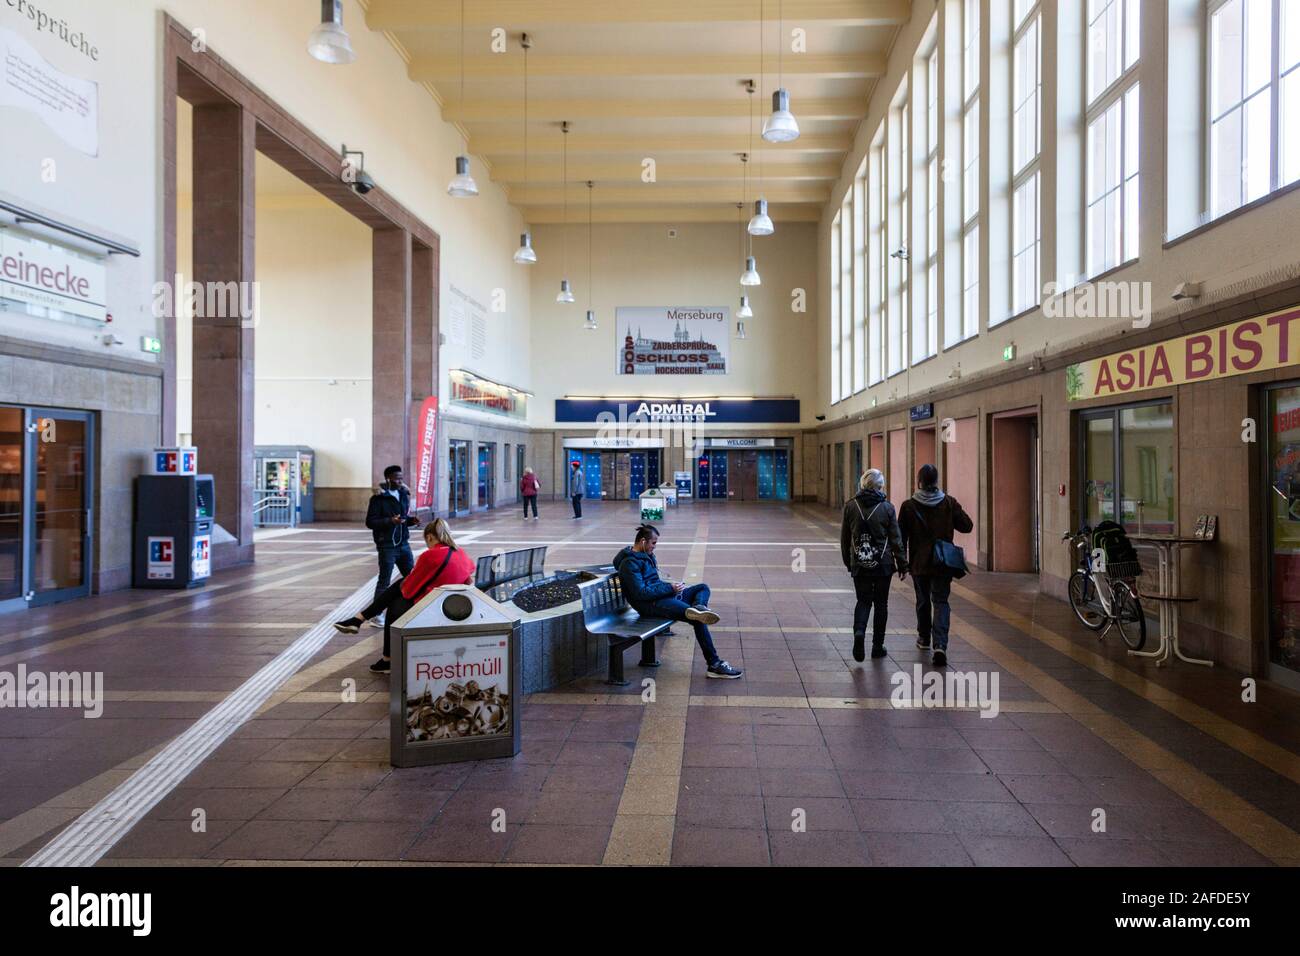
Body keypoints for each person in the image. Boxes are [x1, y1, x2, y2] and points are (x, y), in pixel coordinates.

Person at [335, 518, 475, 673]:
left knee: (395, 604)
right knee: (399, 590)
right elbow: (469, 577)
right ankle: (360, 620)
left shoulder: (430, 555)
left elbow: (408, 590)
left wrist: (406, 583)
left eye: (426, 541)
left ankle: (378, 647)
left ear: (429, 537)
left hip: (432, 605)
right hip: (451, 603)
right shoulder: (461, 553)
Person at [612, 524, 743, 679]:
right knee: (698, 619)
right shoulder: (630, 563)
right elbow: (640, 593)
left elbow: (653, 583)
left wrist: (671, 587)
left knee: (702, 588)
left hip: (661, 597)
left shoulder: (645, 556)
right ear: (643, 541)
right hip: (650, 605)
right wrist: (670, 589)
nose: (655, 546)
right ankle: (714, 664)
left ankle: (699, 606)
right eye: (653, 543)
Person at [898, 463, 973, 667]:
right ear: (936, 481)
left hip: (919, 563)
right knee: (941, 602)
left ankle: (924, 638)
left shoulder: (908, 506)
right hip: (942, 562)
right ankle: (940, 644)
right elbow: (967, 526)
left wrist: (902, 564)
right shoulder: (948, 502)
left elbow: (900, 537)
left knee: (923, 600)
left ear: (919, 481)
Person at [840, 468, 906, 662]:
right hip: (883, 565)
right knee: (881, 604)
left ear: (862, 484)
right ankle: (877, 646)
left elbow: (844, 539)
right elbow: (896, 539)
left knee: (863, 601)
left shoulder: (850, 506)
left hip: (860, 563)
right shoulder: (887, 508)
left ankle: (859, 632)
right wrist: (902, 564)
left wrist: (849, 562)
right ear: (880, 486)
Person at [364, 465, 420, 628]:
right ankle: (377, 615)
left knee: (412, 577)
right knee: (384, 581)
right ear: (388, 479)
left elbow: (403, 518)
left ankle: (415, 610)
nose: (400, 481)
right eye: (397, 478)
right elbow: (370, 522)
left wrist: (411, 521)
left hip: (403, 544)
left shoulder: (403, 494)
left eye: (401, 478)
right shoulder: (378, 498)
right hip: (387, 545)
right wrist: (390, 521)